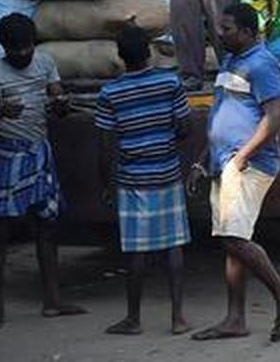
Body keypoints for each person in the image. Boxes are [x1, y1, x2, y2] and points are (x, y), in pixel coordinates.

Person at [188, 3, 280, 343]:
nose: (219, 34)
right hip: (224, 161)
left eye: (227, 29)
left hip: (249, 165)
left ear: (249, 32)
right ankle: (235, 319)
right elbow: (223, 116)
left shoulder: (261, 64)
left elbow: (275, 118)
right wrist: (201, 160)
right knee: (231, 239)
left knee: (233, 237)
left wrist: (242, 157)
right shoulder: (229, 61)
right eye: (219, 28)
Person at [0, 13, 86, 329]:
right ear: (3, 46)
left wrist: (61, 103)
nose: (23, 54)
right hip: (8, 155)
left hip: (39, 151)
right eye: (16, 49)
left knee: (47, 226)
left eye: (27, 48)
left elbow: (58, 101)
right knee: (0, 232)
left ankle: (53, 301)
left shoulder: (45, 63)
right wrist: (0, 111)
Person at [96, 26, 193, 336]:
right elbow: (185, 126)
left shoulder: (110, 93)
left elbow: (105, 145)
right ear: (150, 51)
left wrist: (106, 184)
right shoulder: (170, 82)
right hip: (167, 172)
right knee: (173, 246)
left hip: (132, 179)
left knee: (136, 249)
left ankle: (134, 319)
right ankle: (178, 317)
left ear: (120, 57)